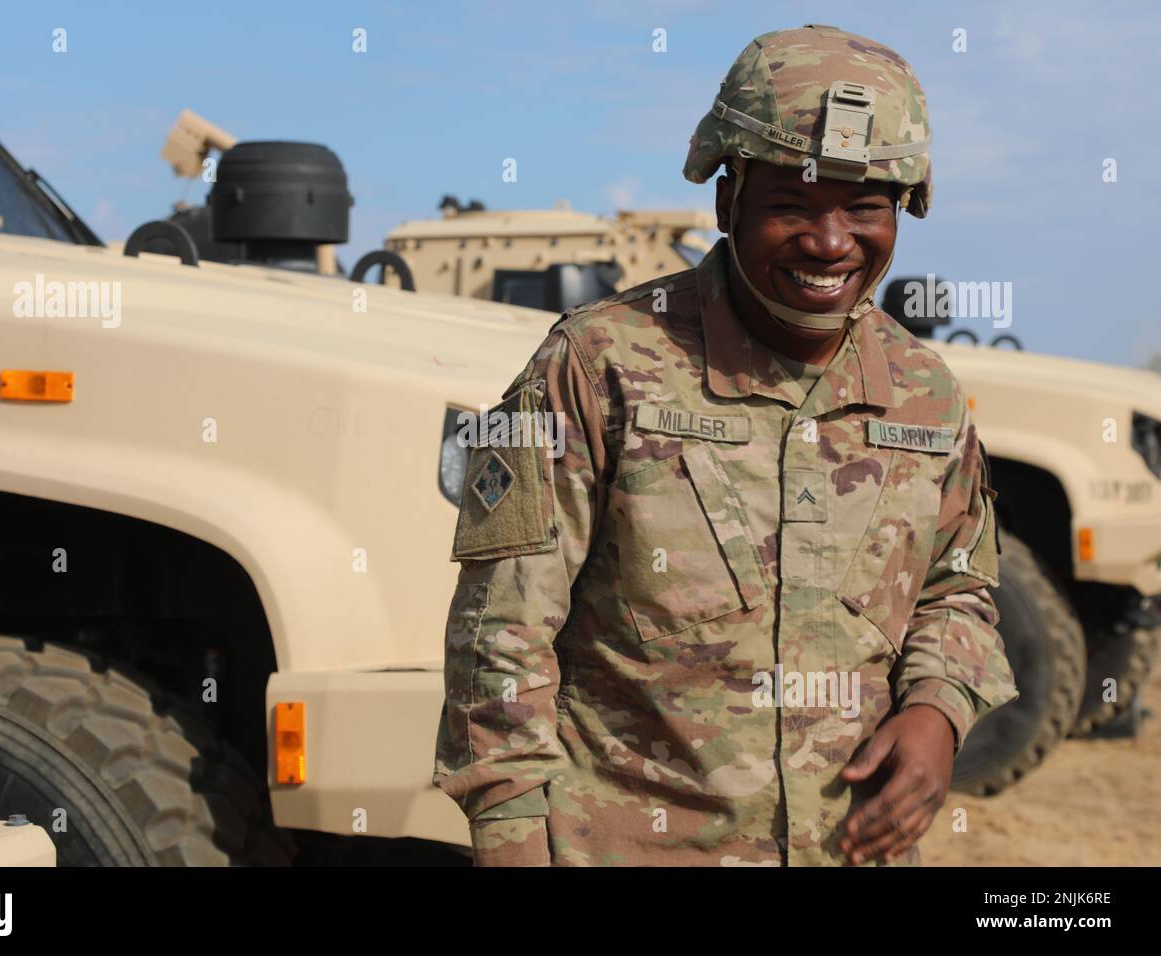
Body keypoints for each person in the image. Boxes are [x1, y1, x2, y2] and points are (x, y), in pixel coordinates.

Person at [433, 23, 1018, 866]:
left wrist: (938, 710)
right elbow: (500, 635)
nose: (830, 242)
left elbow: (958, 588)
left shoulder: (926, 393)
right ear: (727, 199)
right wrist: (514, 841)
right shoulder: (597, 363)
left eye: (865, 207)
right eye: (791, 204)